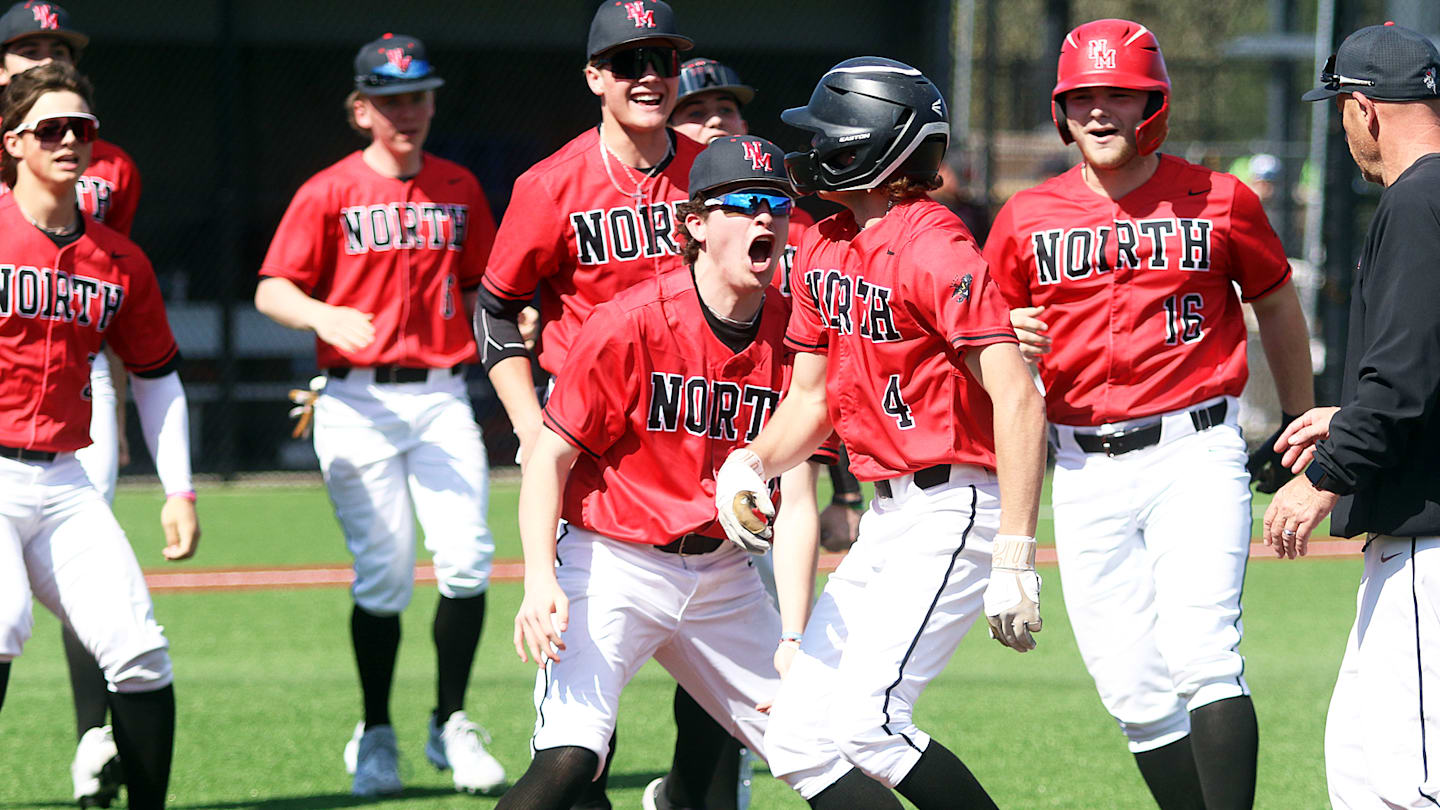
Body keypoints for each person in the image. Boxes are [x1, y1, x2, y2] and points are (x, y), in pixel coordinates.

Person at [982, 19, 1315, 809]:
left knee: (1204, 657)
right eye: (1084, 97)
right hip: (1082, 464)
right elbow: (984, 348)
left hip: (1192, 451)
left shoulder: (1219, 197)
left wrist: (1299, 422)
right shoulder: (1025, 215)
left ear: (1153, 104)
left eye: (1119, 96)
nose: (1100, 113)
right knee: (1131, 689)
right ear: (1063, 110)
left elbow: (1276, 302)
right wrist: (1008, 334)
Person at [715, 57, 1047, 810]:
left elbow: (1018, 401)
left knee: (869, 725)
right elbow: (811, 400)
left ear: (872, 148)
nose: (812, 147)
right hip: (891, 515)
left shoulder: (935, 245)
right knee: (800, 738)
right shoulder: (826, 244)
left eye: (829, 134)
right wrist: (752, 461)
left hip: (954, 505)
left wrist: (1016, 552)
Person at [495, 133, 863, 810]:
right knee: (571, 762)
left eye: (779, 205)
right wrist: (540, 580)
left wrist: (791, 636)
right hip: (613, 563)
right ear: (694, 224)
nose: (766, 219)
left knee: (828, 753)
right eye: (746, 203)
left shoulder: (797, 333)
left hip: (723, 574)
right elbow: (550, 457)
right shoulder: (628, 321)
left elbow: (798, 501)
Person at [476, 4, 755, 809]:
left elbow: (802, 259)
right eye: (628, 61)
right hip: (594, 468)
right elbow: (496, 308)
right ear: (595, 76)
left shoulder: (716, 169)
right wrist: (532, 424)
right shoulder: (551, 183)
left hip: (708, 448)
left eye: (663, 61)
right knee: (579, 741)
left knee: (728, 693)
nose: (648, 78)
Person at [253, 33, 505, 798]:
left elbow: (480, 290)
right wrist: (323, 316)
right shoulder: (328, 189)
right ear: (361, 110)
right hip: (356, 399)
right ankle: (376, 732)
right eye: (391, 100)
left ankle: (450, 721)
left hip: (439, 392)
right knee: (385, 576)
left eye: (419, 96)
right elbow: (271, 289)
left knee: (466, 559)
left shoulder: (459, 185)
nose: (408, 112)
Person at [0, 61, 199, 810]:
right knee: (1, 619)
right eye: (49, 129)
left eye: (80, 128)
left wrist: (178, 488)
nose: (69, 141)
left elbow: (156, 377)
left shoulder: (119, 260)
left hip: (62, 479)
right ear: (13, 142)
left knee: (141, 653)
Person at [1266, 21, 1440, 807]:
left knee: (1407, 784)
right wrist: (1350, 413)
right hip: (1411, 546)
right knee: (1363, 772)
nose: (1343, 129)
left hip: (1428, 547)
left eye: (1340, 110)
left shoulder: (1418, 201)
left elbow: (1404, 377)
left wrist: (1324, 478)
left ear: (1364, 109)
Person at [0, 5, 144, 803]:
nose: (43, 56)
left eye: (56, 47)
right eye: (26, 47)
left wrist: (114, 399)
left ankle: (94, 740)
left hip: (72, 388)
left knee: (88, 574)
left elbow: (107, 288)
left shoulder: (109, 163)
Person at [668, 55, 863, 555]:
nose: (714, 120)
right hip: (674, 432)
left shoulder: (794, 228)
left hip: (776, 432)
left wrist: (844, 493)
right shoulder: (672, 218)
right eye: (695, 111)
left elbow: (832, 355)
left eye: (726, 109)